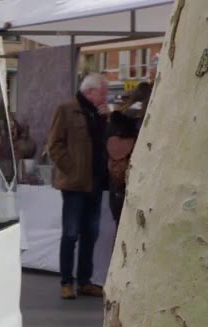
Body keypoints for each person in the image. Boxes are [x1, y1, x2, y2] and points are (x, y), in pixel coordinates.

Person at [47, 73, 110, 300]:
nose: (106, 98)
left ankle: (85, 281)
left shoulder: (100, 114)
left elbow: (104, 144)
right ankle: (66, 282)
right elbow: (54, 145)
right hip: (74, 184)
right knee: (71, 233)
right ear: (90, 91)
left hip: (95, 182)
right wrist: (71, 169)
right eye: (103, 93)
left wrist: (106, 121)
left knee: (90, 234)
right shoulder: (67, 109)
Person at [105, 82, 150, 223]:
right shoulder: (149, 121)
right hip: (143, 184)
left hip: (118, 184)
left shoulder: (117, 119)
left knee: (121, 230)